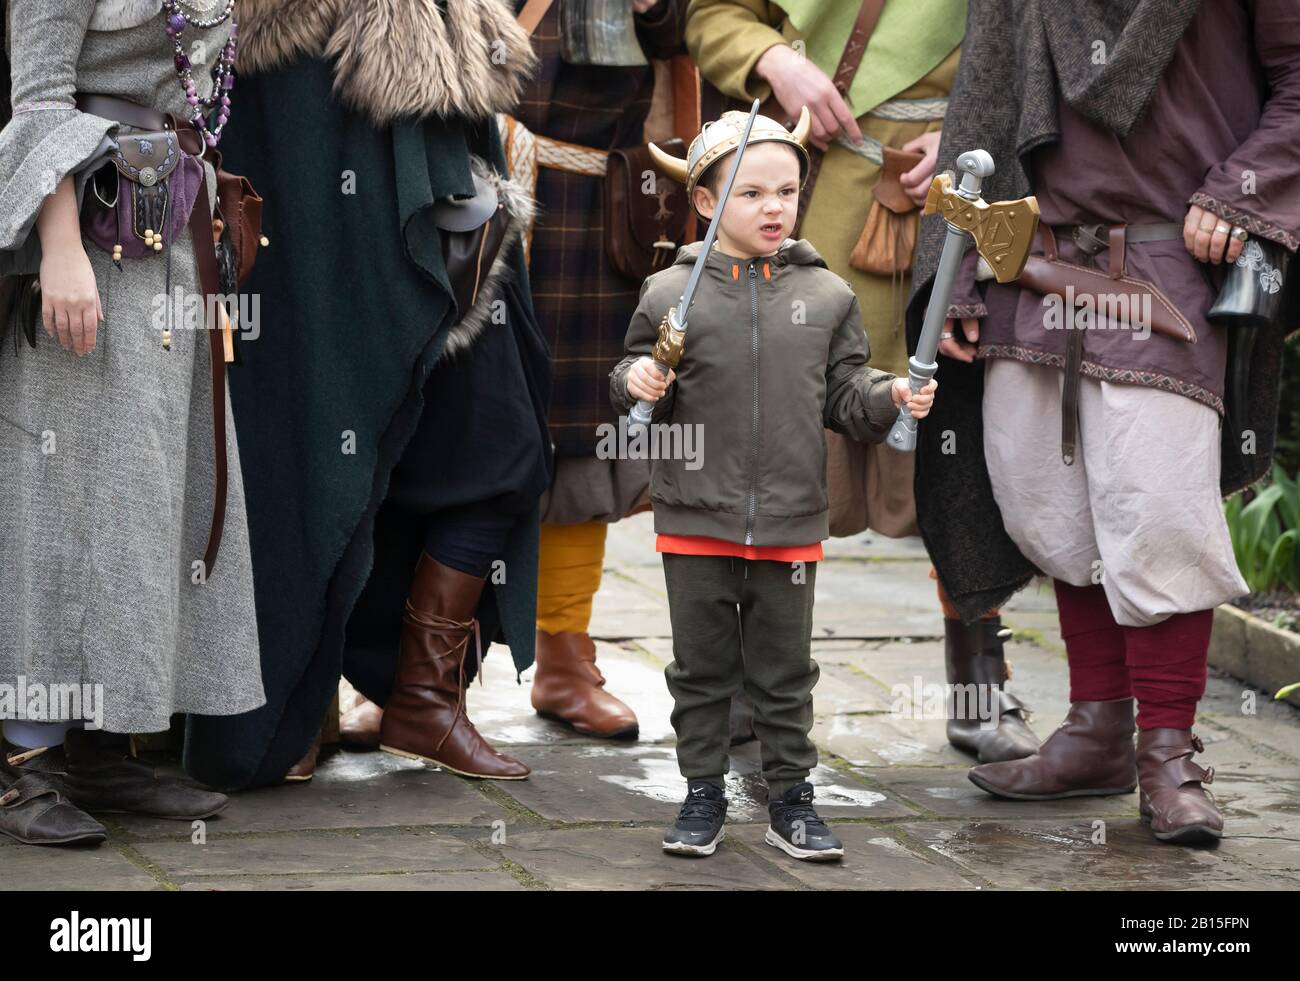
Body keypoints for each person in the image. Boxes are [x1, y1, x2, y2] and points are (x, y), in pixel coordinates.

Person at [908, 0, 1300, 844]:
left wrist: (1242, 192)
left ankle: (1169, 757)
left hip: (1169, 267)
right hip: (1030, 261)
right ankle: (1097, 732)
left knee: (1159, 516)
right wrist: (957, 271)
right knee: (1054, 506)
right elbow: (978, 107)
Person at [183, 0, 553, 787]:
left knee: (500, 443)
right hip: (301, 220)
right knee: (312, 444)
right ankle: (292, 707)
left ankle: (420, 700)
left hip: (436, 221)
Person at [684, 0, 1040, 763]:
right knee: (779, 446)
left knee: (962, 451)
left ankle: (981, 680)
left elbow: (1043, 46)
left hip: (962, 212)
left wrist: (975, 132)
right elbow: (714, 13)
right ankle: (754, 681)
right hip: (815, 206)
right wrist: (776, 61)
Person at [610, 107, 936, 860]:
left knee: (786, 673)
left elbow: (845, 396)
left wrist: (890, 396)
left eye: (786, 191)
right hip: (694, 514)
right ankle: (701, 794)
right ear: (704, 202)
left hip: (791, 519)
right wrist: (640, 378)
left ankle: (793, 799)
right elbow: (625, 385)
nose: (773, 208)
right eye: (750, 193)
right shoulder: (668, 295)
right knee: (701, 669)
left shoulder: (827, 298)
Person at [0, 0, 264, 844]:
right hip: (83, 234)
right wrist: (60, 248)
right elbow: (39, 99)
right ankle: (24, 761)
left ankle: (104, 746)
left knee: (144, 495)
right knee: (61, 491)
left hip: (170, 231)